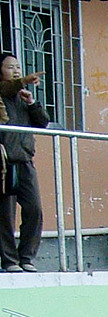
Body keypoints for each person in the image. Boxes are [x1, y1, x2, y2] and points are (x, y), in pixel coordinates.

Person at [0, 53, 47, 273]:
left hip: (25, 160)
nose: (16, 71)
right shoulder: (3, 92)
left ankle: (26, 257)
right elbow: (7, 88)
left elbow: (43, 123)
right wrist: (24, 81)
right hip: (4, 161)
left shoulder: (22, 96)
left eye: (18, 67)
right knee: (5, 215)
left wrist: (32, 103)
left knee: (34, 209)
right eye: (10, 67)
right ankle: (9, 261)